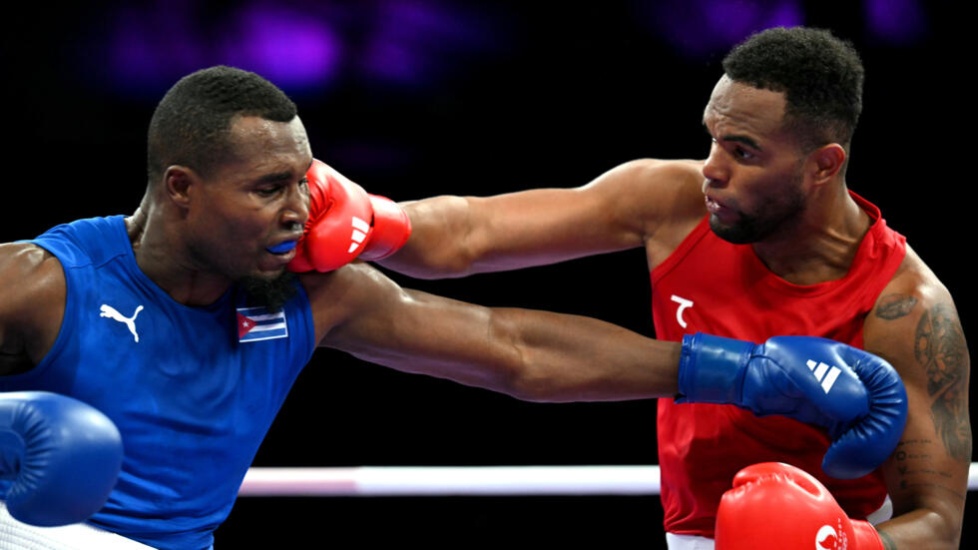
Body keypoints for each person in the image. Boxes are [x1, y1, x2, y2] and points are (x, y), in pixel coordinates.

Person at [0, 64, 906, 550]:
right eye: (271, 189)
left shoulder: (316, 292)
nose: (301, 211)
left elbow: (509, 348)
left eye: (307, 184)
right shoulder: (45, 283)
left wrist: (734, 369)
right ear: (183, 189)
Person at [373, 26, 971, 549]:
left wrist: (844, 544)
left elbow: (938, 522)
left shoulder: (906, 308)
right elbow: (467, 234)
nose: (712, 167)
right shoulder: (670, 202)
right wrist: (367, 220)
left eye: (743, 151)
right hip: (686, 535)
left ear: (822, 165)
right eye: (713, 137)